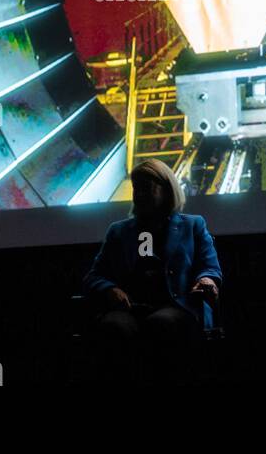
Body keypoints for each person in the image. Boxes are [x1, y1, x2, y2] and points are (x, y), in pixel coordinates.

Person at [81, 158, 222, 384]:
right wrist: (110, 289)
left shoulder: (193, 225)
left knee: (161, 324)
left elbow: (210, 267)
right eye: (137, 188)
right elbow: (93, 276)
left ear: (167, 190)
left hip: (177, 307)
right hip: (130, 310)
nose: (140, 194)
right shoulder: (118, 232)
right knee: (113, 327)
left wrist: (206, 280)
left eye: (146, 188)